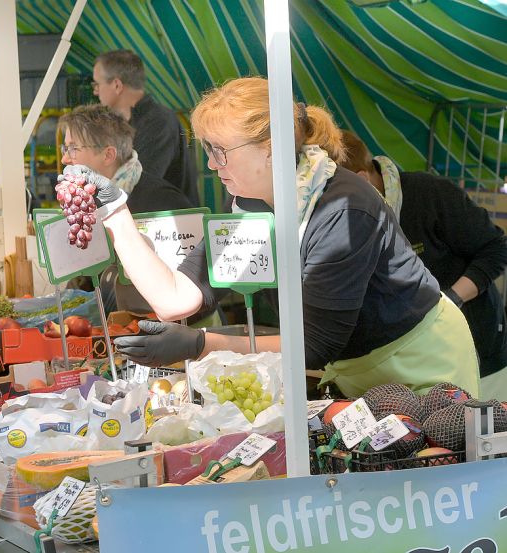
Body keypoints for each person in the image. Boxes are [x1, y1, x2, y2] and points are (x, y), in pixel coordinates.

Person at [91, 76, 479, 398]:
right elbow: (178, 298)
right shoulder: (249, 204)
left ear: (271, 149)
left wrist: (202, 344)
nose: (211, 164)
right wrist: (116, 214)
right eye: (207, 150)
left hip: (423, 367)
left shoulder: (342, 210)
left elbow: (313, 346)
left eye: (220, 151)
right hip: (358, 372)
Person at [341, 130, 507, 399]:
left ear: (360, 179)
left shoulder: (429, 194)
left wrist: (450, 300)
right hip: (407, 360)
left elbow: (495, 249)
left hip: (476, 346)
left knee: (481, 431)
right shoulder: (349, 221)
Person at [58, 104, 194, 313]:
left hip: (182, 331)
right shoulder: (87, 203)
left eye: (73, 148)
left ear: (108, 155)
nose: (65, 159)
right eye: (64, 148)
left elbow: (189, 287)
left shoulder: (163, 202)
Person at [92, 50, 199, 205]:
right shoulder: (125, 123)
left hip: (172, 221)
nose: (95, 91)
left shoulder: (160, 121)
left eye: (97, 84)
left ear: (117, 85)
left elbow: (138, 178)